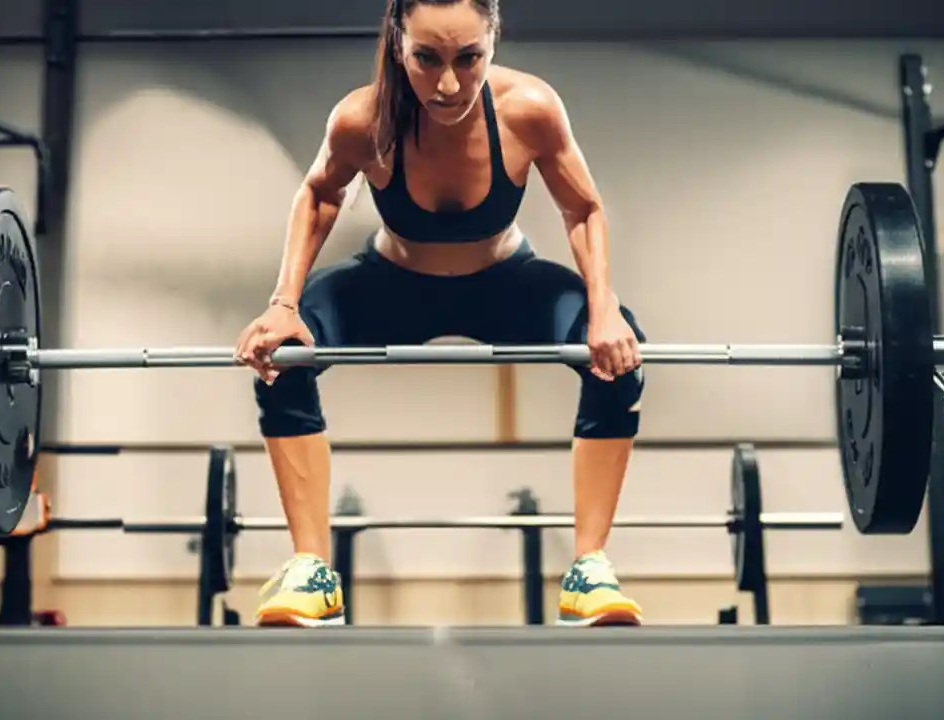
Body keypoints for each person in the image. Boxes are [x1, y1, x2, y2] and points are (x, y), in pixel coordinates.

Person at [234, 0, 647, 627]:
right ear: (399, 45)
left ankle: (589, 567)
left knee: (620, 358)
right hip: (388, 285)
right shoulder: (362, 120)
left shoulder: (529, 110)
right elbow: (319, 193)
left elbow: (583, 209)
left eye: (469, 58)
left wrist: (604, 309)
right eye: (427, 58)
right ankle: (311, 568)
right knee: (284, 356)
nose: (448, 83)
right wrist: (282, 304)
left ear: (494, 43)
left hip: (507, 284)